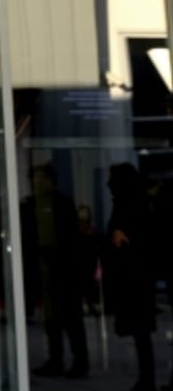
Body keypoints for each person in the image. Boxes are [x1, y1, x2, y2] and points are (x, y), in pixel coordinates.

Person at [20, 163, 90, 379]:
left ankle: (80, 361)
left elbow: (71, 240)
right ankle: (55, 359)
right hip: (43, 269)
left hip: (63, 269)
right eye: (35, 178)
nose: (37, 182)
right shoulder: (29, 206)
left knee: (71, 318)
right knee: (51, 319)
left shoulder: (62, 204)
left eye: (42, 178)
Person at [102, 162, 157, 391]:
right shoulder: (135, 203)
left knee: (141, 331)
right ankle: (147, 378)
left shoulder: (133, 205)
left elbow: (139, 241)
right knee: (140, 331)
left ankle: (147, 378)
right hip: (135, 277)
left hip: (135, 278)